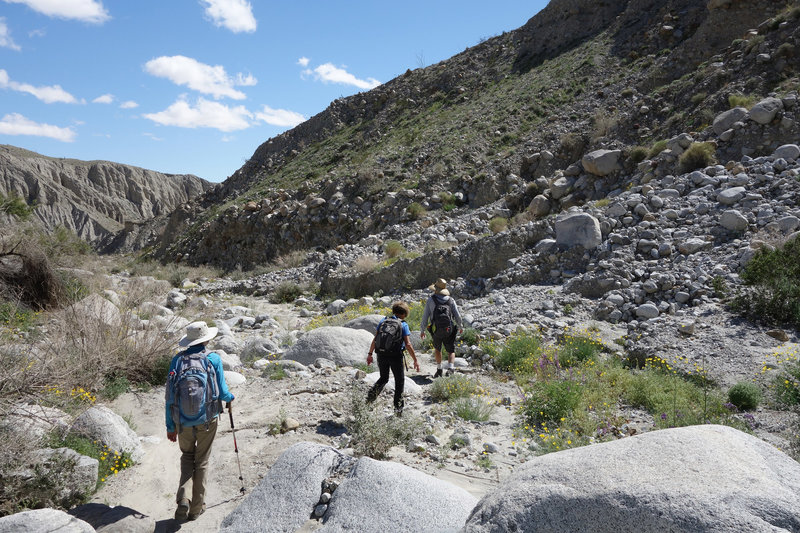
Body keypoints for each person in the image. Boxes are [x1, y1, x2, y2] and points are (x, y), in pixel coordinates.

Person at [165, 321, 235, 522]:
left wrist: (170, 426)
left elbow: (169, 397)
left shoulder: (177, 361)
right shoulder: (213, 358)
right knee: (201, 461)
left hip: (182, 421)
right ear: (207, 339)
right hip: (207, 419)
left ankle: (183, 497)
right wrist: (231, 398)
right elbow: (222, 392)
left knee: (187, 457)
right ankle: (196, 509)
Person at [366, 301, 420, 415]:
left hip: (381, 354)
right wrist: (415, 360)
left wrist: (370, 354)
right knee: (399, 382)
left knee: (383, 378)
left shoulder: (383, 321)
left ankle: (368, 400)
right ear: (404, 314)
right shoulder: (403, 324)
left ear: (394, 311)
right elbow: (408, 344)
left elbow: (375, 339)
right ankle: (398, 411)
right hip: (395, 356)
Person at [420, 278, 463, 378]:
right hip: (449, 329)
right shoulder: (451, 300)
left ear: (435, 289)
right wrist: (460, 326)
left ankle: (439, 369)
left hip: (436, 329)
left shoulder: (431, 300)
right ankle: (451, 369)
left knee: (437, 349)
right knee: (451, 350)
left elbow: (425, 316)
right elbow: (457, 316)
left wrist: (422, 330)